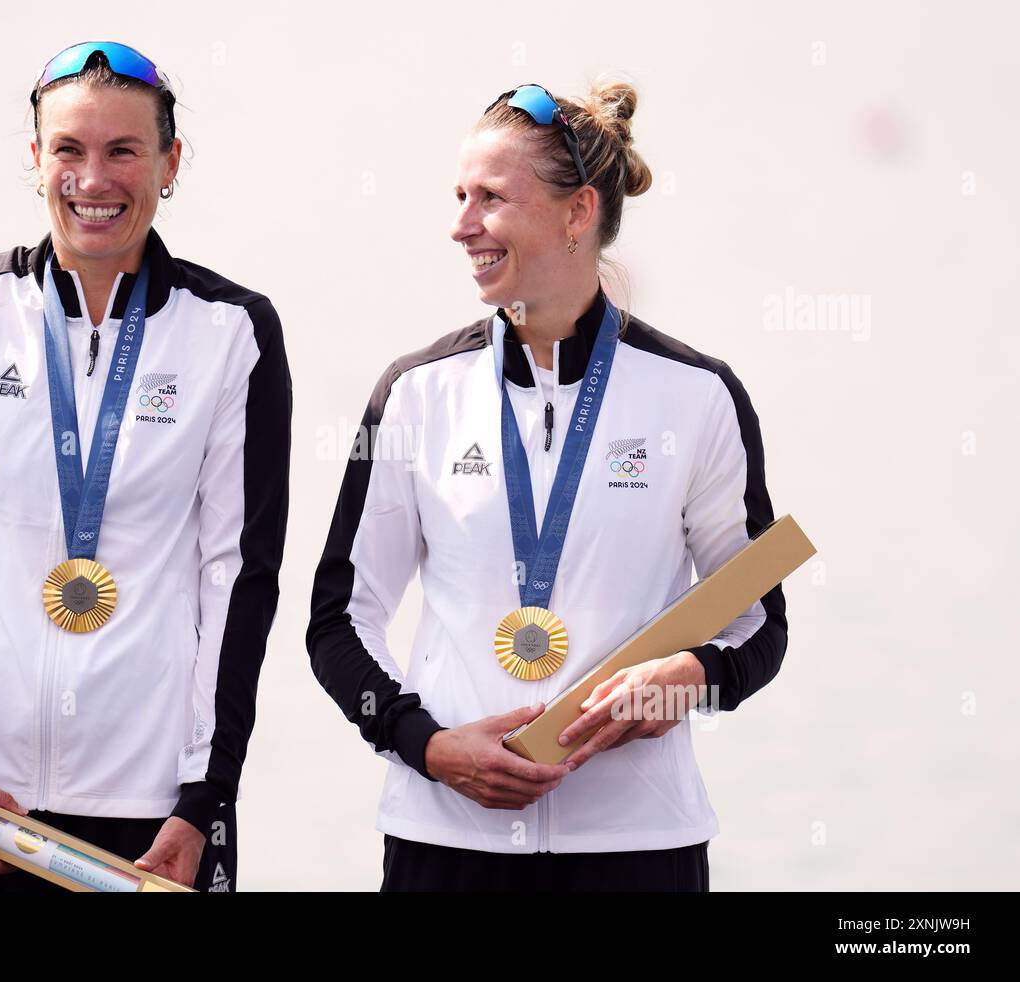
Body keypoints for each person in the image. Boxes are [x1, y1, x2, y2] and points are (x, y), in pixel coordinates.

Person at [306, 77, 787, 891]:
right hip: (446, 844)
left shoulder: (699, 395)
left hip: (638, 850)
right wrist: (423, 742)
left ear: (578, 213)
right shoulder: (415, 391)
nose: (461, 226)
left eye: (490, 198)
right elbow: (337, 621)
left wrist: (690, 678)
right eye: (459, 196)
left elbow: (759, 622)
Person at [0, 41, 291, 892]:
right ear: (35, 160)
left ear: (170, 163)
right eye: (68, 149)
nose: (93, 180)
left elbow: (237, 578)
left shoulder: (232, 331)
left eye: (123, 151)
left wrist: (205, 798)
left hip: (150, 810)